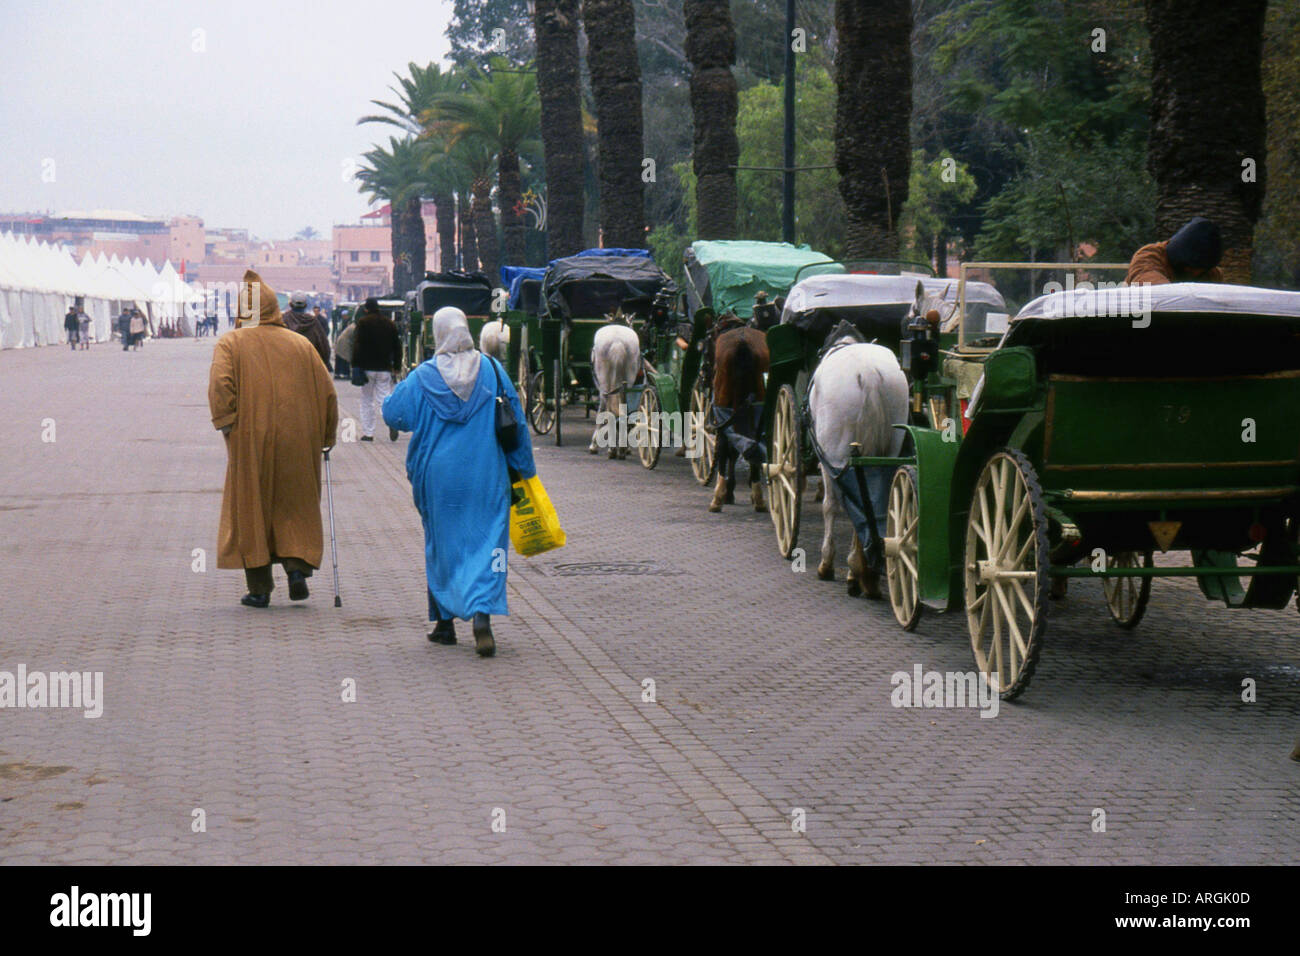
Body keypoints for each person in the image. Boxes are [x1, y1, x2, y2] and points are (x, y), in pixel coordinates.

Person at [382, 306, 536, 656]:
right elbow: (517, 424)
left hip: (439, 480)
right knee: (488, 545)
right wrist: (524, 471)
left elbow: (393, 413)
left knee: (443, 546)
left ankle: (444, 624)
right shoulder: (494, 370)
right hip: (487, 476)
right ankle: (483, 616)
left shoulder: (423, 376)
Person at [208, 270, 338, 608]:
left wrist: (228, 426)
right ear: (273, 307)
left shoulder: (230, 343)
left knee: (252, 506)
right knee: (295, 503)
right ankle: (296, 569)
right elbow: (328, 394)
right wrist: (325, 436)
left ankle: (260, 588)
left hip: (250, 439)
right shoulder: (300, 345)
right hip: (299, 439)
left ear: (243, 309)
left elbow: (221, 386)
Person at [351, 297, 402, 442]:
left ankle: (368, 433)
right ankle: (391, 422)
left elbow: (357, 346)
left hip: (367, 368)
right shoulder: (389, 323)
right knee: (384, 399)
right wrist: (396, 366)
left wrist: (355, 365)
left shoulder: (363, 323)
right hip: (385, 368)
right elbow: (397, 347)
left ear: (366, 309)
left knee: (367, 400)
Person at [1125, 216, 1224, 285]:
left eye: (1201, 269)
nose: (1195, 273)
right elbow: (1154, 289)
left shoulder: (1212, 273)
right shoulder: (1149, 256)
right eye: (1191, 267)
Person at [283, 291, 332, 371]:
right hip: (309, 368)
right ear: (305, 305)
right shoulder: (313, 322)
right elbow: (324, 347)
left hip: (287, 368)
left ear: (290, 304)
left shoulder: (283, 320)